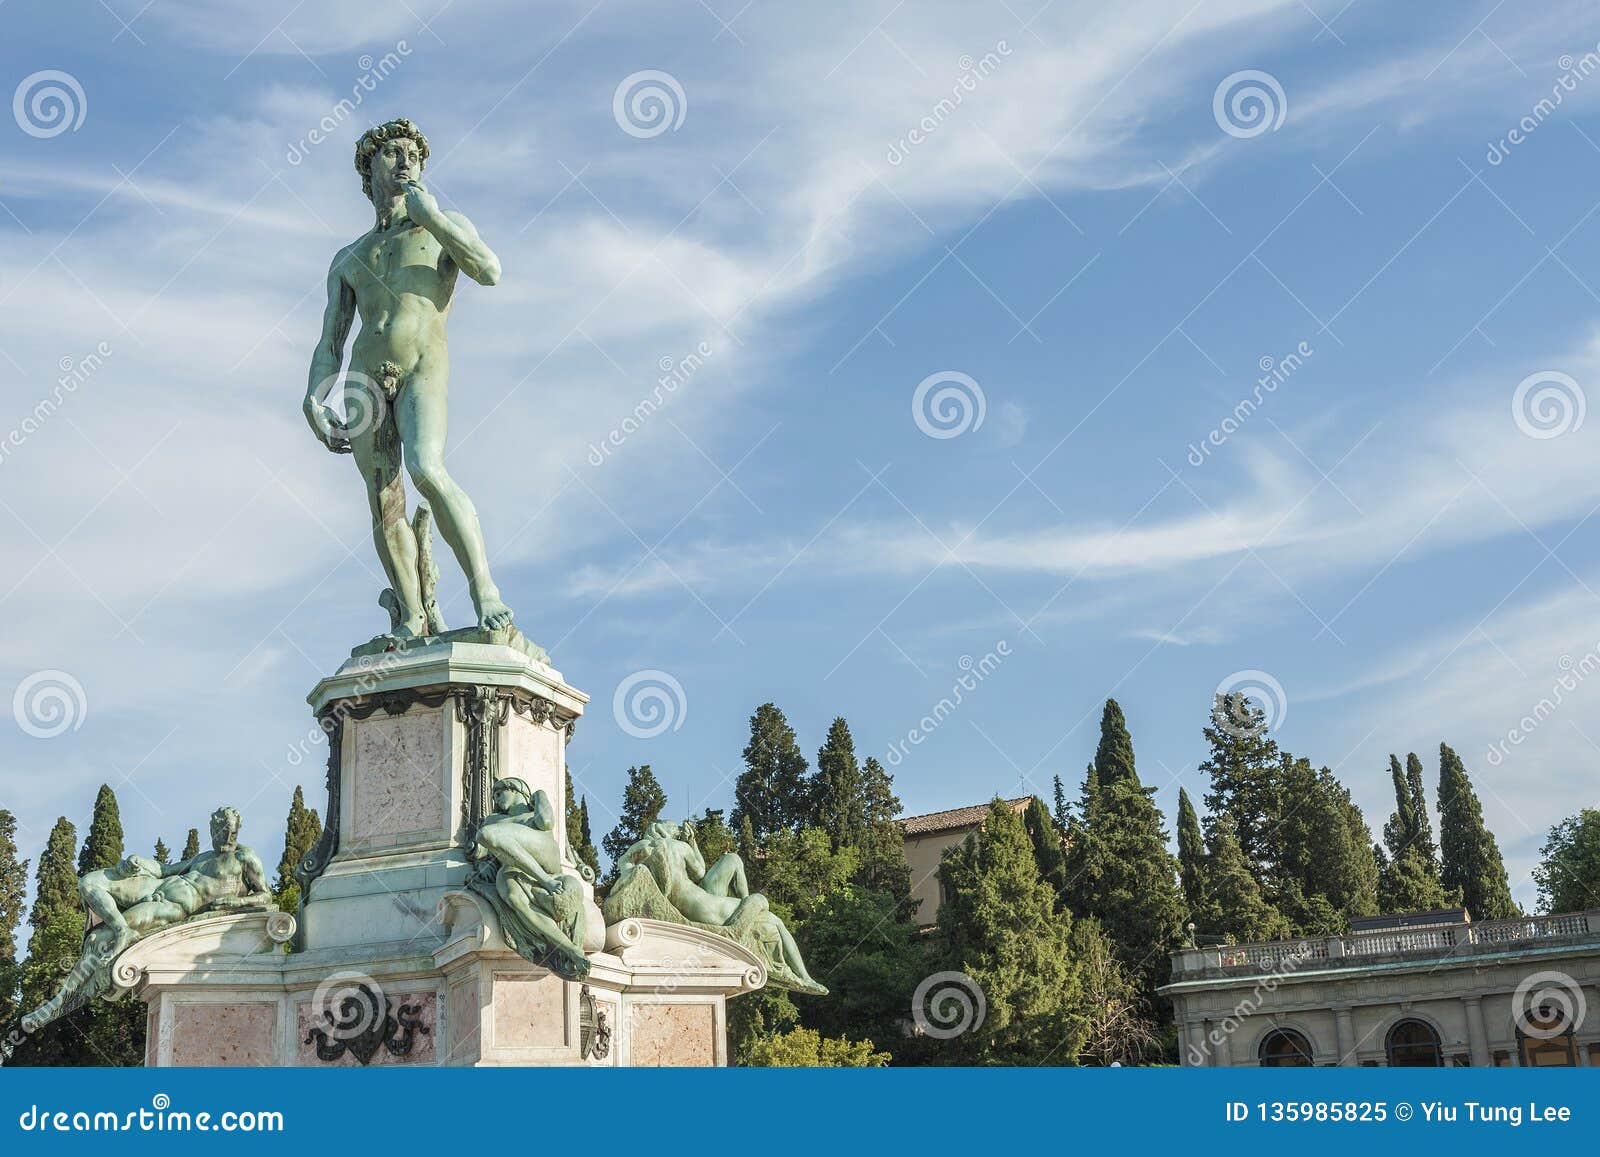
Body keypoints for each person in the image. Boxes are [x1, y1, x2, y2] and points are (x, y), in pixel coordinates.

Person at [302, 118, 513, 637]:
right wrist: (314, 396)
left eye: (415, 157)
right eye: (394, 153)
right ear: (368, 166)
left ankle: (484, 591)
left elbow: (489, 270)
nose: (407, 164)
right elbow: (331, 339)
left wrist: (433, 218)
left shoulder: (439, 225)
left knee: (426, 468)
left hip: (422, 366)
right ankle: (413, 614)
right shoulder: (349, 257)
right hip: (364, 379)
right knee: (384, 498)